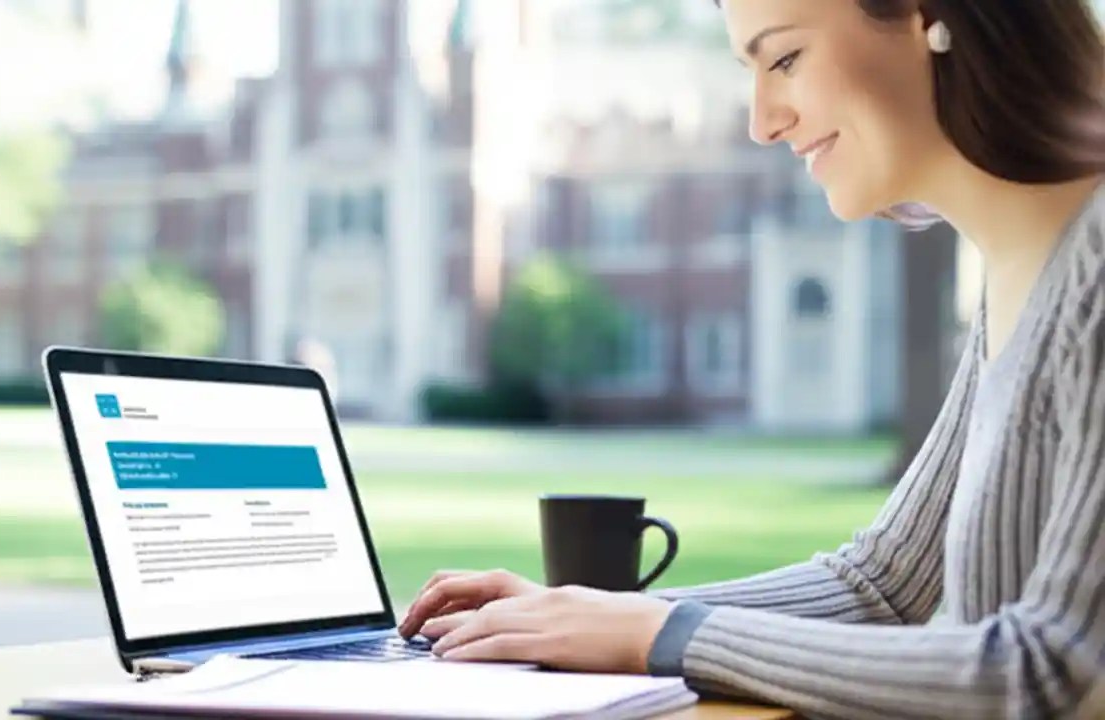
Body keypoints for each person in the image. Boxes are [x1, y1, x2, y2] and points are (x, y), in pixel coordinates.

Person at [397, 0, 1105, 717]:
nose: (762, 121)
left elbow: (1054, 672)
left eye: (786, 59)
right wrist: (584, 615)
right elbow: (884, 585)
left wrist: (662, 632)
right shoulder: (1023, 269)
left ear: (929, 17)